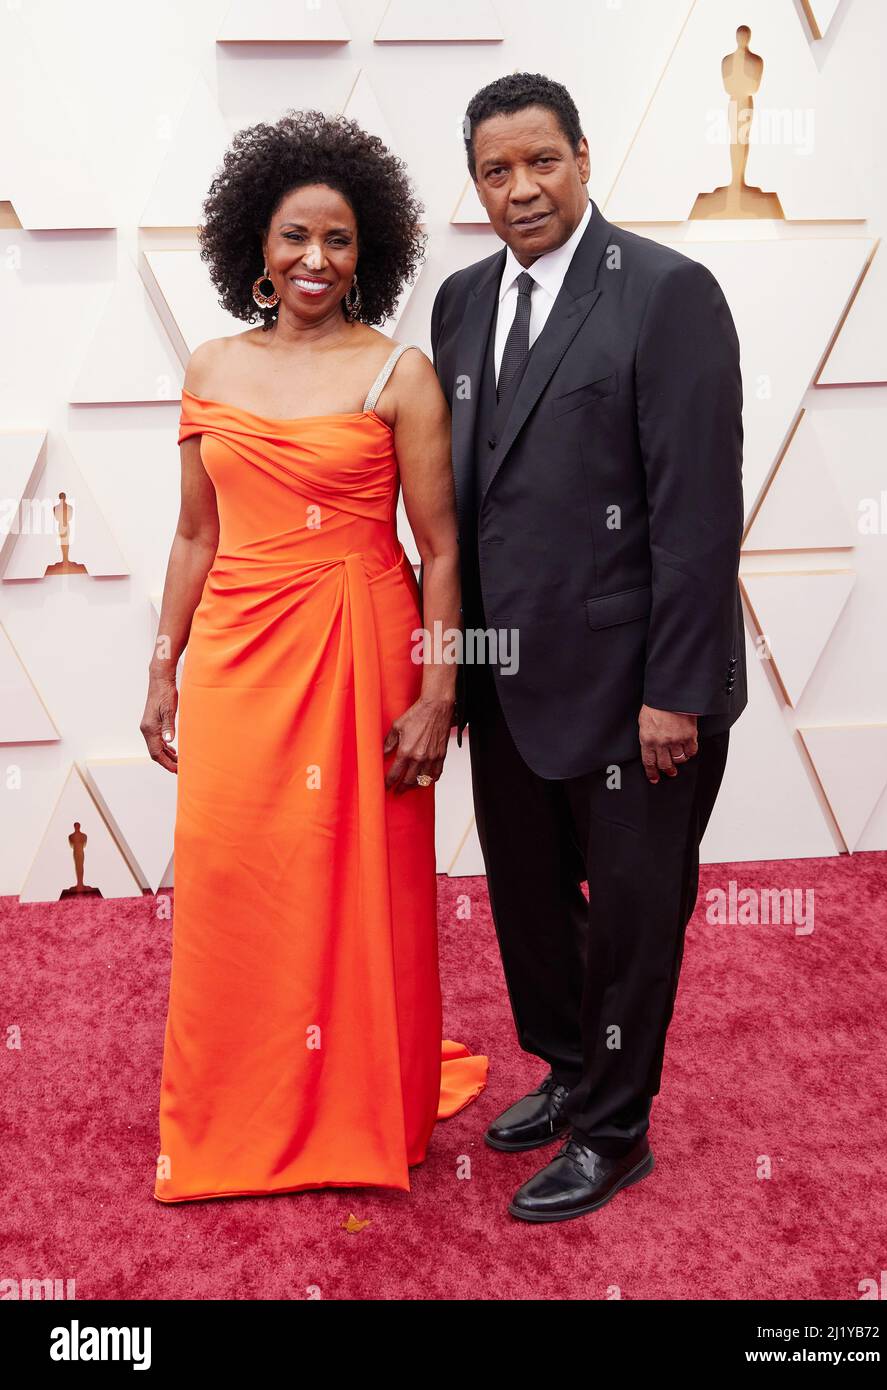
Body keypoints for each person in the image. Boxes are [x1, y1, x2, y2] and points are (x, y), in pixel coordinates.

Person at [140, 110, 487, 1204]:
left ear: (367, 252)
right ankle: (238, 1104)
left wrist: (441, 692)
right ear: (256, 246)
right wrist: (161, 665)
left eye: (339, 240)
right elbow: (196, 532)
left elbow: (440, 547)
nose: (315, 261)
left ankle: (356, 1098)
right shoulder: (209, 365)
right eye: (296, 237)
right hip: (240, 648)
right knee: (235, 872)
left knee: (359, 871)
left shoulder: (400, 373)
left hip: (361, 636)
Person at [430, 74, 746, 1223]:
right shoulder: (461, 304)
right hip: (508, 677)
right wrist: (455, 670)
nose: (520, 189)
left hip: (636, 691)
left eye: (541, 162)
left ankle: (616, 1131)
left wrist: (678, 692)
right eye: (495, 171)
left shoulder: (666, 293)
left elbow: (702, 512)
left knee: (628, 915)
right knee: (526, 899)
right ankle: (569, 1071)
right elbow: (462, 507)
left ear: (584, 156)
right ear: (476, 184)